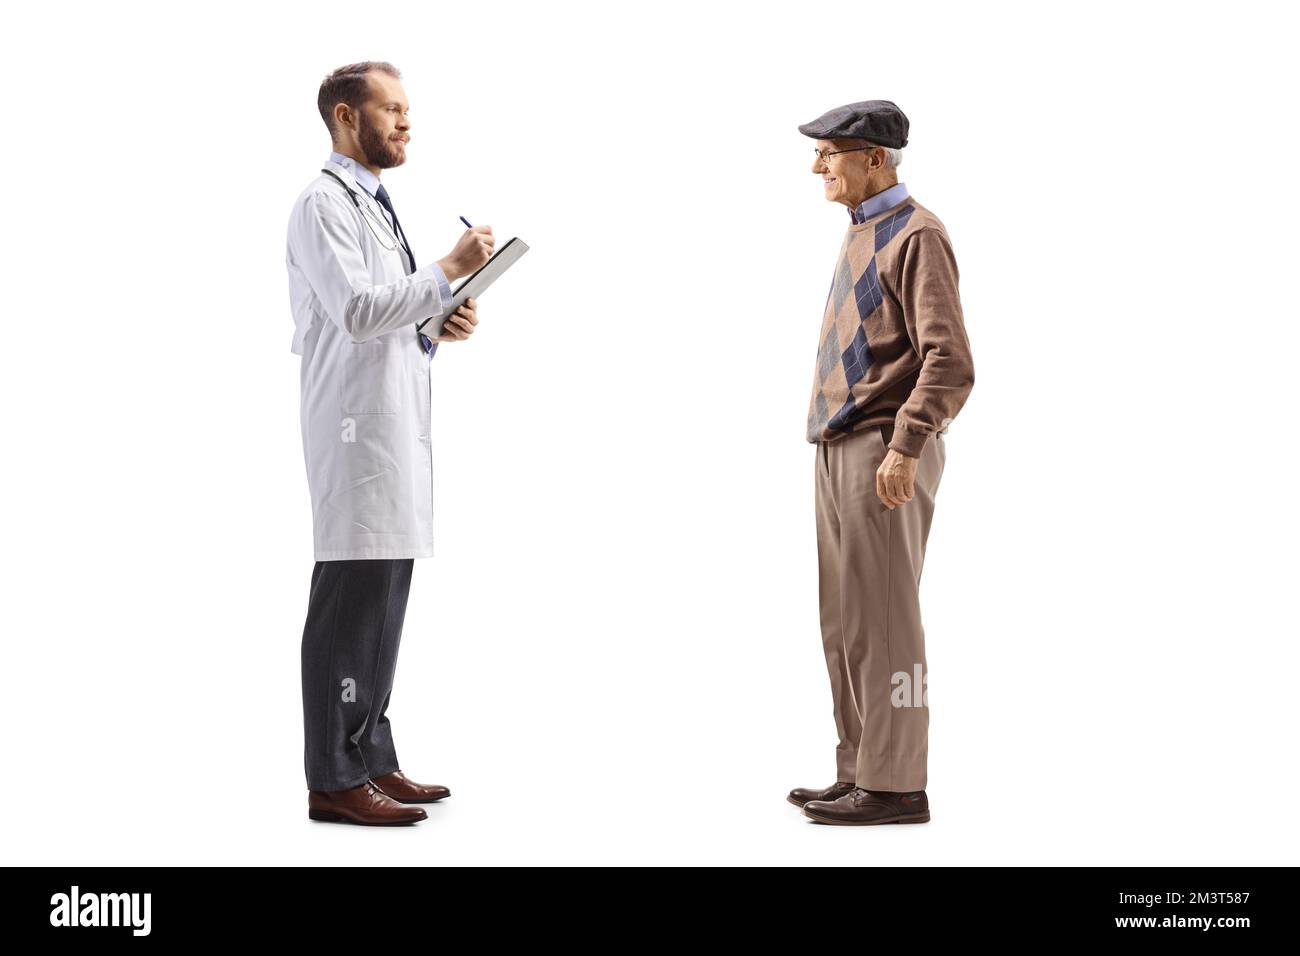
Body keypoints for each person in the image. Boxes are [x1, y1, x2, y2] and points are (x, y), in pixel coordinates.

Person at [285, 60, 494, 825]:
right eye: (392, 109)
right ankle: (334, 778)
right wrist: (447, 269)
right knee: (348, 606)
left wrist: (439, 321)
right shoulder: (321, 204)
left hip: (390, 428)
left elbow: (392, 317)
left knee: (384, 599)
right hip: (353, 433)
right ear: (346, 118)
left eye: (408, 110)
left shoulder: (374, 201)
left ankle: (372, 755)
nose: (407, 122)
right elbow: (354, 311)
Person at [788, 100, 975, 826]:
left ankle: (898, 784)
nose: (817, 167)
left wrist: (907, 442)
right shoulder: (863, 232)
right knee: (847, 620)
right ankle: (860, 768)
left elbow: (950, 359)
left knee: (889, 616)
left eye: (830, 153)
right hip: (838, 444)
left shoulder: (918, 234)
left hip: (883, 448)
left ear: (876, 159)